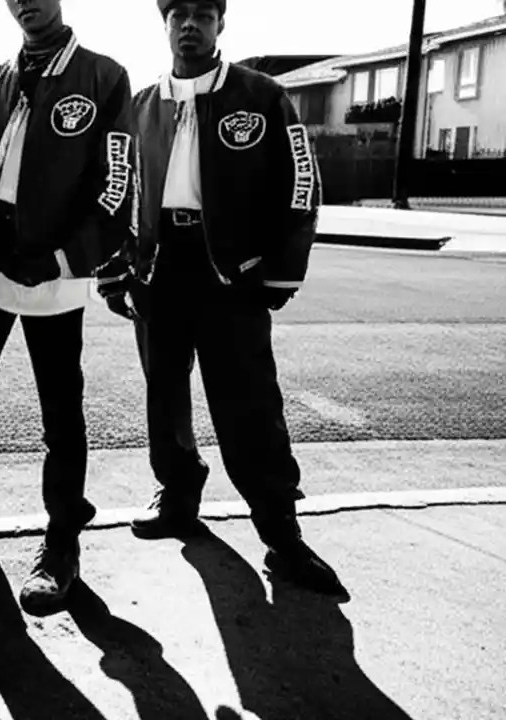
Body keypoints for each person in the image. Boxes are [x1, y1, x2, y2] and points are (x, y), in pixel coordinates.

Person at [100, 0, 346, 596]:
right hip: (160, 267)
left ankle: (280, 531)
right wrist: (117, 267)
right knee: (164, 388)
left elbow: (301, 181)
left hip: (230, 272)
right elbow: (116, 185)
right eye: (177, 13)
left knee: (248, 400)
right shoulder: (139, 104)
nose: (189, 24)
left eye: (202, 14)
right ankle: (178, 495)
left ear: (220, 24)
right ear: (164, 24)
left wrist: (280, 273)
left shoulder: (261, 95)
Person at [0, 0, 135, 618]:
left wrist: (62, 257)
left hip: (53, 271)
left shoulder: (104, 77)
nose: (26, 2)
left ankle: (61, 546)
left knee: (61, 412)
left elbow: (116, 181)